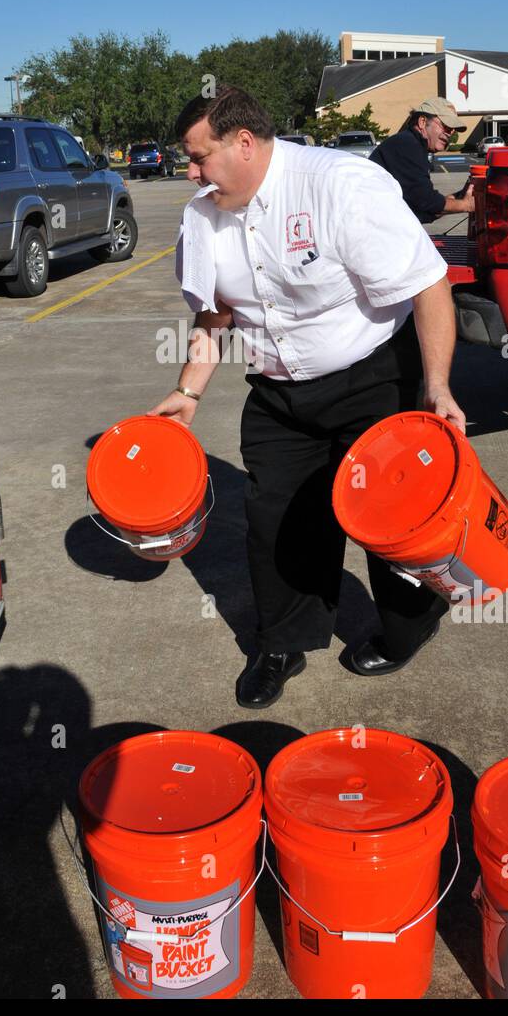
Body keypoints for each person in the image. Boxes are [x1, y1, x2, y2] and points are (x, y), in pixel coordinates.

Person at [149, 86, 466, 709]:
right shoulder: (203, 214)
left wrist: (437, 388)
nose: (189, 172)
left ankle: (409, 623)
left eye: (198, 157)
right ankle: (282, 642)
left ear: (244, 144)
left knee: (389, 519)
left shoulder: (341, 185)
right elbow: (216, 316)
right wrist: (188, 391)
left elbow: (428, 286)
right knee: (276, 520)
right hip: (279, 392)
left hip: (373, 376)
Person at [371, 98, 475, 223]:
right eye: (446, 126)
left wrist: (458, 198)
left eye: (452, 130)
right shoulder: (407, 145)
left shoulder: (411, 144)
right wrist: (465, 205)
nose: (450, 133)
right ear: (422, 122)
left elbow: (422, 211)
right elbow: (426, 202)